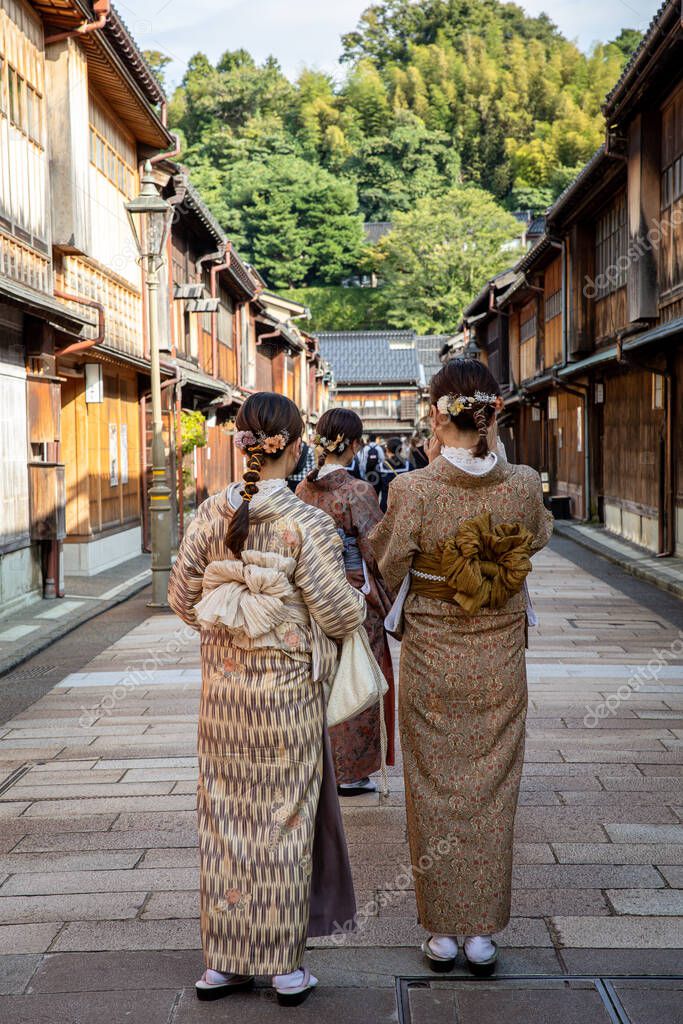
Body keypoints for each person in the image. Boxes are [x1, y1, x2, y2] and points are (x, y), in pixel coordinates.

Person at [168, 392, 366, 1007]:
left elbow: (182, 599)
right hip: (286, 696)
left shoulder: (210, 513)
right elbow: (337, 611)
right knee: (284, 817)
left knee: (225, 820)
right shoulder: (306, 523)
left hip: (224, 695)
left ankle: (223, 964)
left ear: (245, 445)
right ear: (296, 446)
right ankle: (283, 966)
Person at [369, 359, 553, 977]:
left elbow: (389, 561)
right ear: (492, 414)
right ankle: (481, 934)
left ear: (437, 415)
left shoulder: (414, 489)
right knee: (493, 789)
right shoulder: (523, 484)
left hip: (433, 654)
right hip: (500, 654)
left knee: (434, 787)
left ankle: (442, 931)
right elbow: (540, 534)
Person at [296, 408, 396, 796]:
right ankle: (351, 770)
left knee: (324, 678)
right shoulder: (358, 492)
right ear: (353, 444)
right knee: (360, 675)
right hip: (355, 598)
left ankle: (322, 763)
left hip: (315, 597)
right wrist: (387, 597)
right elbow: (378, 552)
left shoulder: (302, 491)